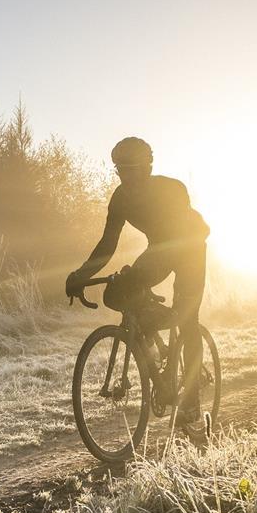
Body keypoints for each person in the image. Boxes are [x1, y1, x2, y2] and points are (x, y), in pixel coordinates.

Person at [66, 136, 210, 434]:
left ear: (148, 166)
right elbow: (108, 243)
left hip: (190, 248)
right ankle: (153, 351)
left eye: (132, 169)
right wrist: (80, 274)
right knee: (115, 293)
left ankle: (192, 403)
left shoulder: (172, 189)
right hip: (160, 249)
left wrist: (138, 273)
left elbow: (174, 241)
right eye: (120, 170)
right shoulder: (121, 198)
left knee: (187, 319)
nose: (126, 176)